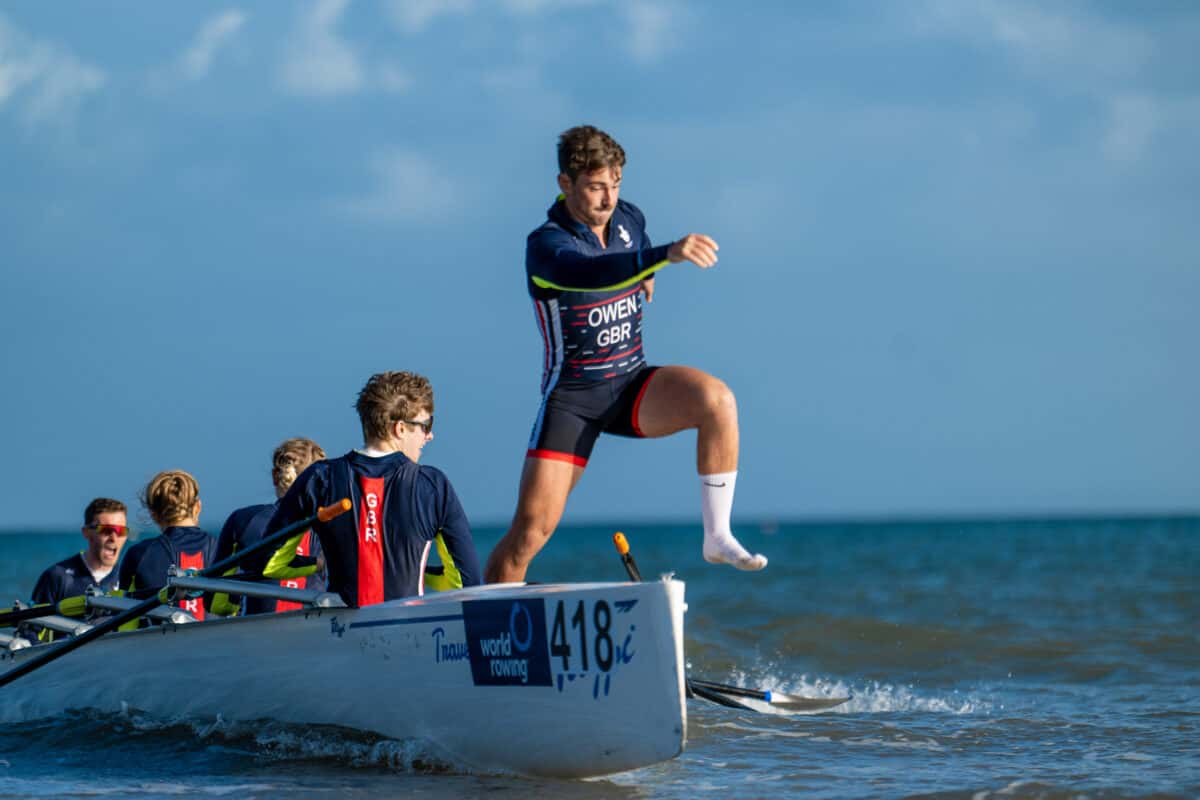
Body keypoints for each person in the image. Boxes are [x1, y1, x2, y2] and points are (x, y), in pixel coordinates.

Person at [484, 125, 768, 584]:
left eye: (615, 184)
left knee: (717, 400)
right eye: (596, 187)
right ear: (565, 184)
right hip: (573, 402)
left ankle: (717, 536)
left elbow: (631, 245)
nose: (608, 198)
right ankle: (490, 625)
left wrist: (646, 272)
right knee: (528, 536)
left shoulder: (629, 219)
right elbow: (591, 273)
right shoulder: (546, 245)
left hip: (632, 386)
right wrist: (661, 258)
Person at [260, 371, 481, 606]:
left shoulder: (319, 479)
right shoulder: (432, 485)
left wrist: (318, 564)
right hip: (409, 635)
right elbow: (466, 581)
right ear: (400, 429)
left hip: (338, 635)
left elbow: (268, 563)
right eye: (426, 425)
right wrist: (417, 568)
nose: (430, 435)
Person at [215, 437, 327, 615]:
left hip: (256, 636)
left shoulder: (243, 520)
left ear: (277, 476)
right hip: (317, 633)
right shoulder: (334, 525)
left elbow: (216, 605)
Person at [119, 470, 220, 621]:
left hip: (160, 642)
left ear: (153, 514)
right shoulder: (222, 549)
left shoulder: (139, 554)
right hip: (219, 642)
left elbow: (122, 613)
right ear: (197, 506)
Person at [30, 498, 130, 624]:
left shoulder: (128, 579)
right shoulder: (57, 577)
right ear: (86, 532)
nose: (114, 538)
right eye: (106, 530)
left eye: (121, 531)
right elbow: (32, 631)